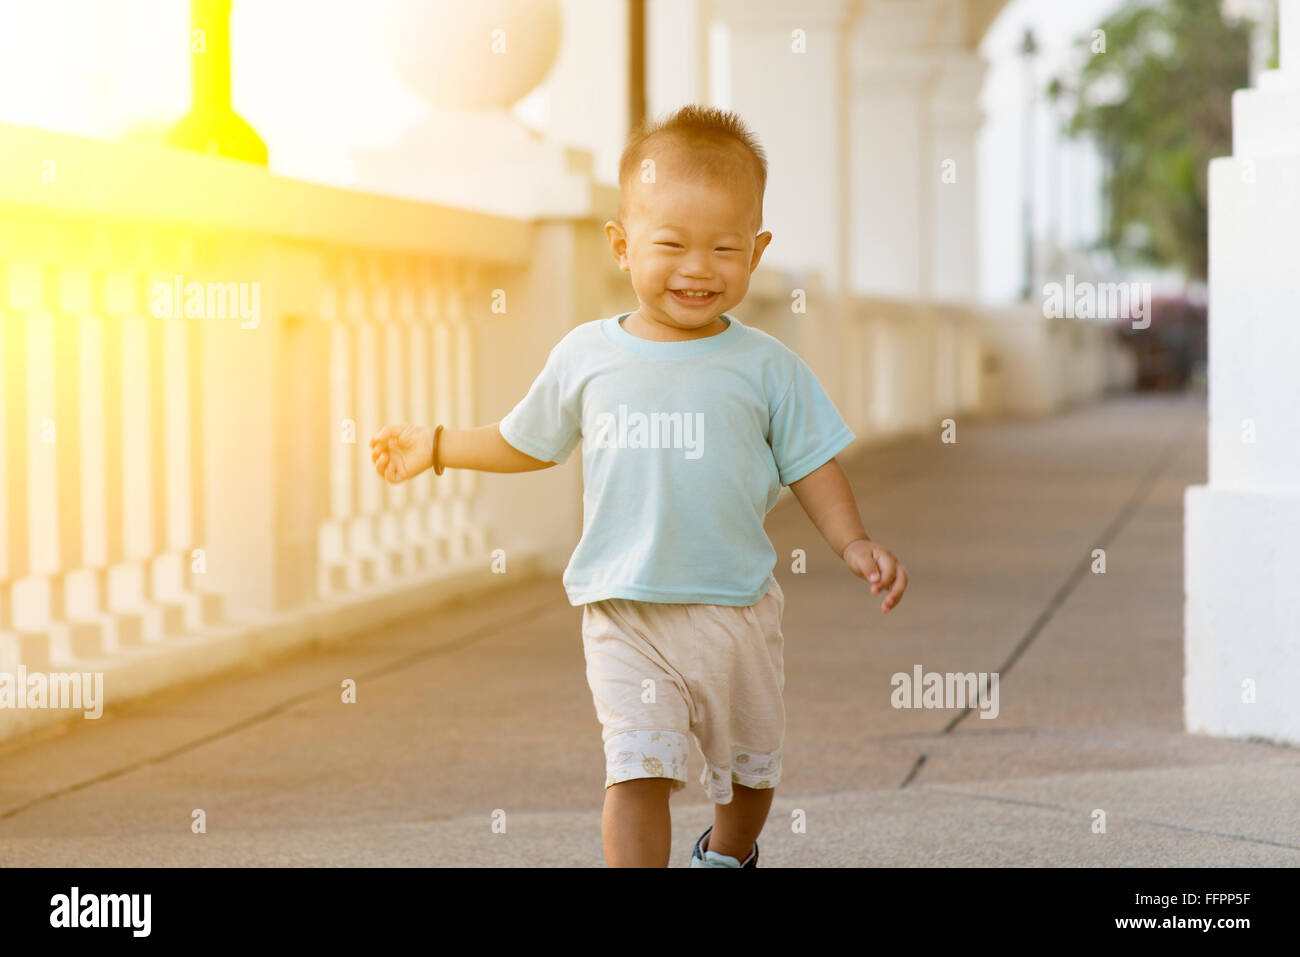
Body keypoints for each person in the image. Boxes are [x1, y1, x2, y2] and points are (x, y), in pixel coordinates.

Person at [369, 105, 907, 868]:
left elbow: (813, 462)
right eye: (672, 245)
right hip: (625, 609)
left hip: (735, 613)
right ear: (622, 246)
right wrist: (439, 445)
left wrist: (852, 542)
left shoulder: (768, 367)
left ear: (757, 250)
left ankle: (726, 853)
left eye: (725, 248)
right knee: (637, 768)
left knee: (751, 774)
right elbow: (528, 439)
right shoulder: (588, 355)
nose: (698, 268)